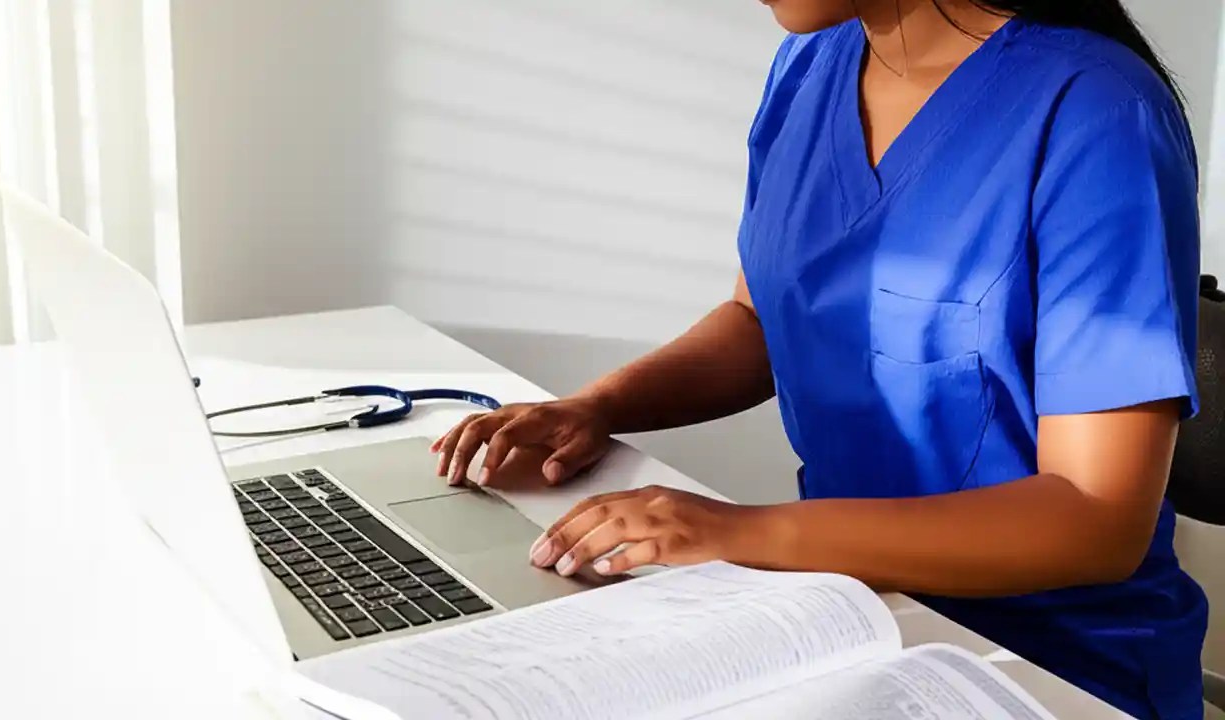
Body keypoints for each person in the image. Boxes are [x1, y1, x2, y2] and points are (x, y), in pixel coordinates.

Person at [433, 1, 1207, 717]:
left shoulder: (1098, 113)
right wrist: (598, 407)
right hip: (852, 621)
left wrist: (738, 533)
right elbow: (760, 319)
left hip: (1052, 671)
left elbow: (1095, 518)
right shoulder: (809, 68)